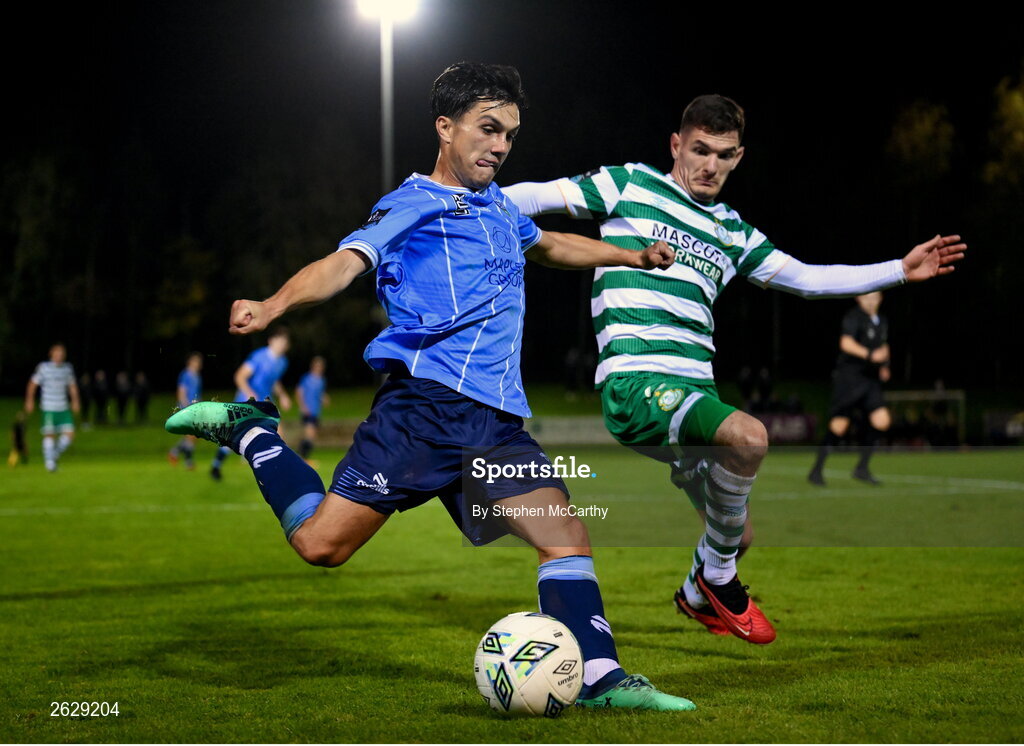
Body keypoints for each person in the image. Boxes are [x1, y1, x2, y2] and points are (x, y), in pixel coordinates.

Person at [168, 62, 693, 711]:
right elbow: (344, 263)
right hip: (422, 412)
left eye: (510, 134)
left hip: (494, 424)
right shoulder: (414, 203)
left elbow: (550, 245)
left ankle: (602, 680)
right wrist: (275, 305)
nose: (500, 145)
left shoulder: (500, 206)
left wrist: (630, 255)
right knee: (320, 546)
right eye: (488, 128)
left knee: (565, 538)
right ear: (446, 127)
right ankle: (253, 432)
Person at [503, 94, 966, 645]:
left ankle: (696, 593)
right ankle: (718, 578)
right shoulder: (630, 185)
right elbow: (541, 195)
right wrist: (466, 205)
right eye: (699, 150)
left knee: (738, 532)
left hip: (694, 393)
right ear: (676, 145)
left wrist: (898, 271)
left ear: (738, 157)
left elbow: (808, 278)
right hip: (637, 385)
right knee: (749, 437)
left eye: (723, 155)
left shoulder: (731, 231)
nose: (709, 165)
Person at [808, 292, 891, 486]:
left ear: (880, 298)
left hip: (870, 381)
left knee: (882, 421)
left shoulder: (882, 320)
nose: (871, 301)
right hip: (850, 379)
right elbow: (846, 343)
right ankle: (816, 470)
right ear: (859, 298)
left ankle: (861, 468)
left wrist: (885, 364)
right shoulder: (853, 317)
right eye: (867, 297)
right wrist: (871, 355)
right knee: (840, 425)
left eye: (875, 297)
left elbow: (884, 347)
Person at [210, 329, 292, 481]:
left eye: (284, 343)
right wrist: (250, 394)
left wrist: (283, 395)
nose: (281, 345)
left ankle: (277, 469)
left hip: (265, 401)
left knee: (278, 430)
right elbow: (240, 376)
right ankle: (216, 466)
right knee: (232, 437)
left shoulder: (282, 362)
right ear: (271, 341)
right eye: (279, 341)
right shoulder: (259, 357)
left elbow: (274, 382)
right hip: (246, 400)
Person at [24, 343, 80, 472]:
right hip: (49, 406)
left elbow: (72, 385)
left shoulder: (67, 368)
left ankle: (52, 455)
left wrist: (75, 401)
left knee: (70, 434)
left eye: (61, 354)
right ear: (51, 354)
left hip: (63, 406)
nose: (59, 356)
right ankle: (50, 464)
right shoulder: (44, 367)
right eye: (57, 354)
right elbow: (32, 384)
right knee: (50, 434)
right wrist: (29, 401)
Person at [168, 353, 204, 470]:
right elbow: (181, 391)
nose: (197, 364)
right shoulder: (185, 375)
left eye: (198, 362)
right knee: (191, 435)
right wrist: (184, 406)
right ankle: (188, 462)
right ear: (190, 362)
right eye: (195, 361)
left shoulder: (197, 376)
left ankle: (175, 452)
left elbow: (197, 393)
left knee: (194, 436)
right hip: (186, 407)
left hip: (194, 408)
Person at [296, 356, 329, 462]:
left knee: (312, 436)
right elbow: (299, 392)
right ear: (313, 366)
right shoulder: (306, 378)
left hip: (316, 412)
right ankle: (302, 457)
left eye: (321, 366)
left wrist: (324, 398)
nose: (319, 368)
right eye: (317, 365)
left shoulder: (322, 380)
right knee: (310, 435)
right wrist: (303, 406)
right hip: (307, 411)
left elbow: (319, 394)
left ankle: (301, 457)